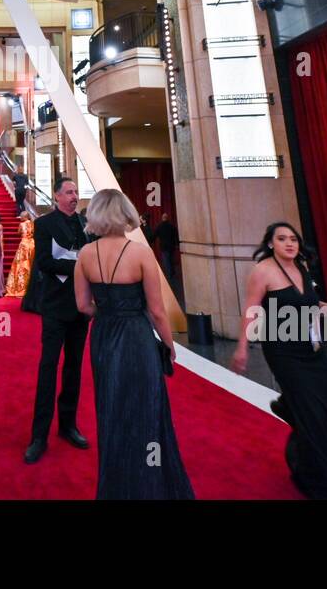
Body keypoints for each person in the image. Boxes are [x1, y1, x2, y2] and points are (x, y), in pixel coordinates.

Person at [233, 221, 327, 500]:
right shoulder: (263, 271)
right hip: (283, 352)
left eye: (293, 239)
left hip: (311, 348)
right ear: (271, 243)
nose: (289, 243)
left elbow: (311, 304)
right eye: (282, 239)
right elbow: (251, 309)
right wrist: (242, 347)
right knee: (312, 414)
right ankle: (325, 479)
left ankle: (293, 421)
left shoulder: (302, 269)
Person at [74, 189, 194, 499]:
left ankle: (116, 486)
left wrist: (109, 312)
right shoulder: (140, 253)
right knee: (146, 409)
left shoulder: (86, 255)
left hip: (103, 337)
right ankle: (150, 485)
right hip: (136, 338)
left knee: (111, 408)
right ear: (125, 213)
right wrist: (169, 345)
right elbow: (156, 311)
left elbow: (83, 306)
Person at [25, 176, 91, 464]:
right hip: (54, 308)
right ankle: (39, 435)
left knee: (74, 369)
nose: (75, 196)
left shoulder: (86, 225)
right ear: (56, 197)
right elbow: (44, 263)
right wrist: (77, 264)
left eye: (76, 191)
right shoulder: (44, 224)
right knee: (48, 369)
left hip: (81, 309)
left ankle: (67, 425)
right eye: (69, 192)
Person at [5, 215, 35, 299]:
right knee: (31, 264)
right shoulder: (33, 223)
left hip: (24, 244)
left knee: (21, 264)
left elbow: (18, 232)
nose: (20, 218)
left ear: (24, 217)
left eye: (21, 216)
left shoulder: (22, 224)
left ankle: (20, 288)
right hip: (32, 245)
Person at [155, 212, 180, 285]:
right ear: (167, 218)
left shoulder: (159, 226)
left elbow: (154, 235)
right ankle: (172, 273)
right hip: (172, 246)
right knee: (171, 260)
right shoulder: (172, 226)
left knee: (166, 261)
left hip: (164, 247)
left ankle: (169, 275)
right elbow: (176, 236)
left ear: (162, 218)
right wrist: (177, 244)